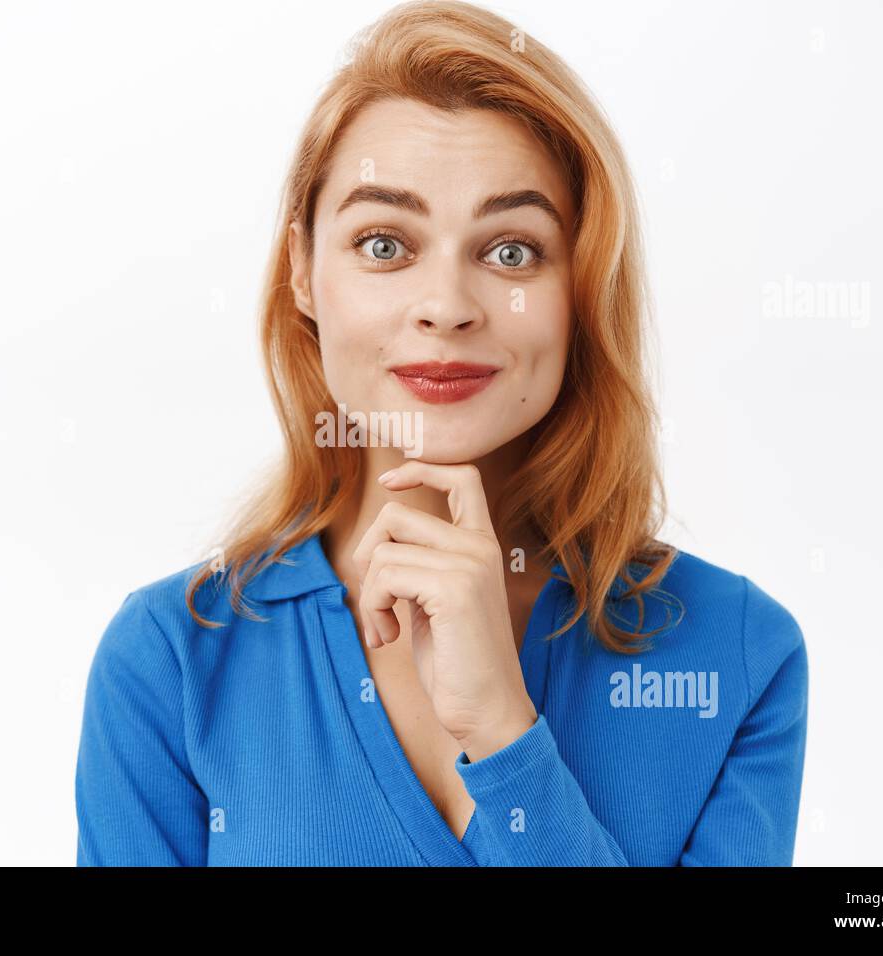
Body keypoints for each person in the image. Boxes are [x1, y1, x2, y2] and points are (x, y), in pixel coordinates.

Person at [74, 0, 808, 866]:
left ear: (582, 289)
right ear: (302, 272)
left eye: (511, 252)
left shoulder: (734, 653)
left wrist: (502, 731)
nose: (448, 308)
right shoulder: (172, 661)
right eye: (385, 244)